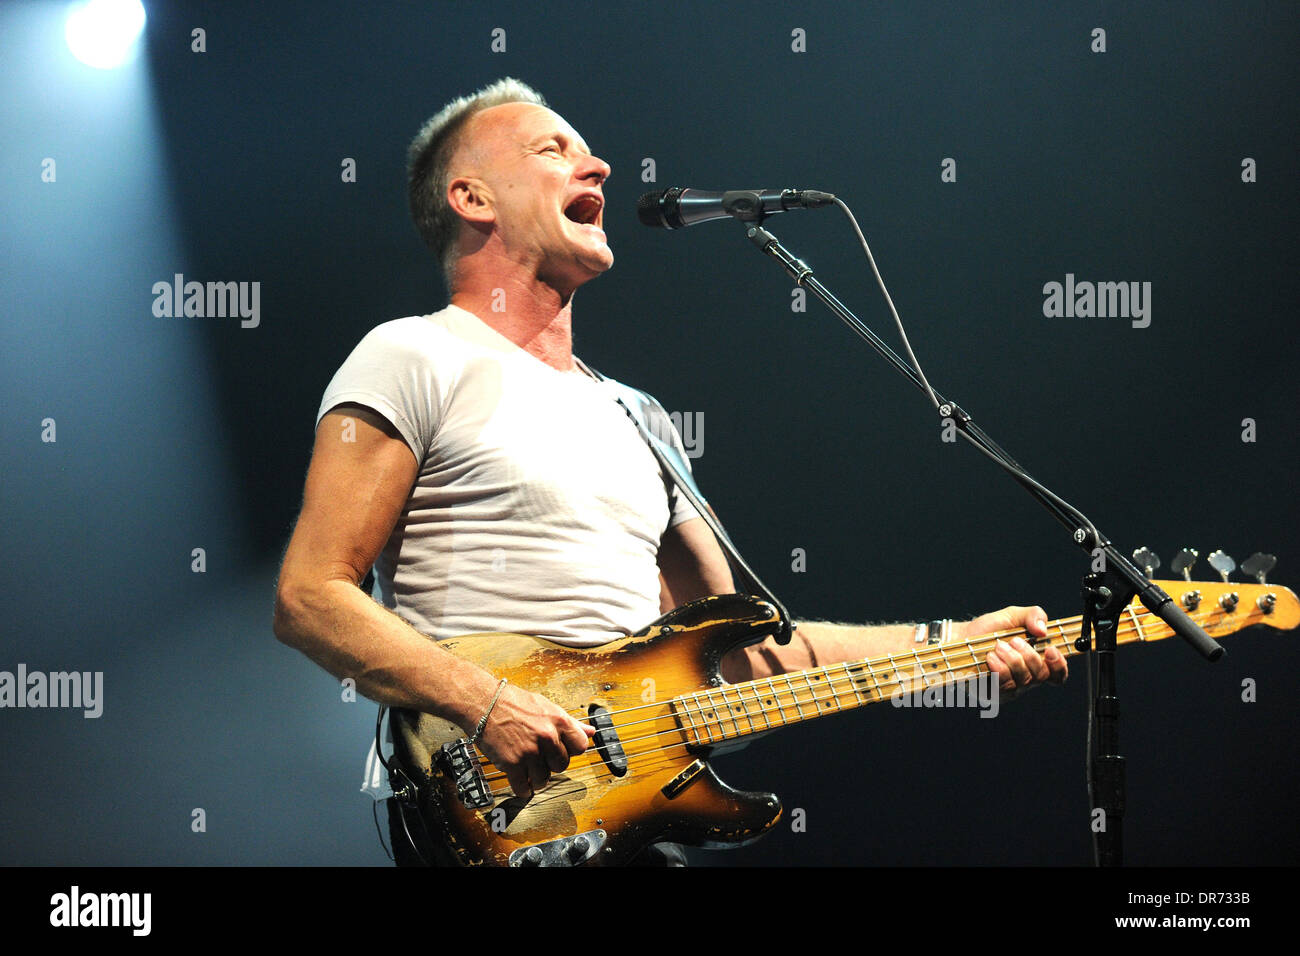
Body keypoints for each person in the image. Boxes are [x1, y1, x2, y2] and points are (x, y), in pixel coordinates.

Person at [272, 77, 1068, 866]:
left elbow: (747, 655)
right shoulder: (412, 354)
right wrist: (486, 705)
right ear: (472, 197)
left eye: (589, 152)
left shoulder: (639, 417)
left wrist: (956, 644)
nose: (600, 169)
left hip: (627, 826)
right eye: (555, 150)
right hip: (494, 813)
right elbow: (311, 596)